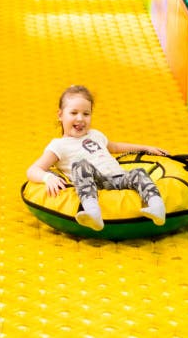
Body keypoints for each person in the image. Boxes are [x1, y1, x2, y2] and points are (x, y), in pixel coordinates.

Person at [26, 85, 168, 231]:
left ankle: (157, 207)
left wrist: (146, 148)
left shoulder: (95, 134)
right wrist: (47, 178)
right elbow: (33, 170)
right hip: (96, 182)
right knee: (81, 165)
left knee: (138, 172)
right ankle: (93, 212)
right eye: (73, 113)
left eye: (86, 114)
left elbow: (116, 147)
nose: (80, 118)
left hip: (119, 178)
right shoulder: (59, 145)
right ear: (60, 115)